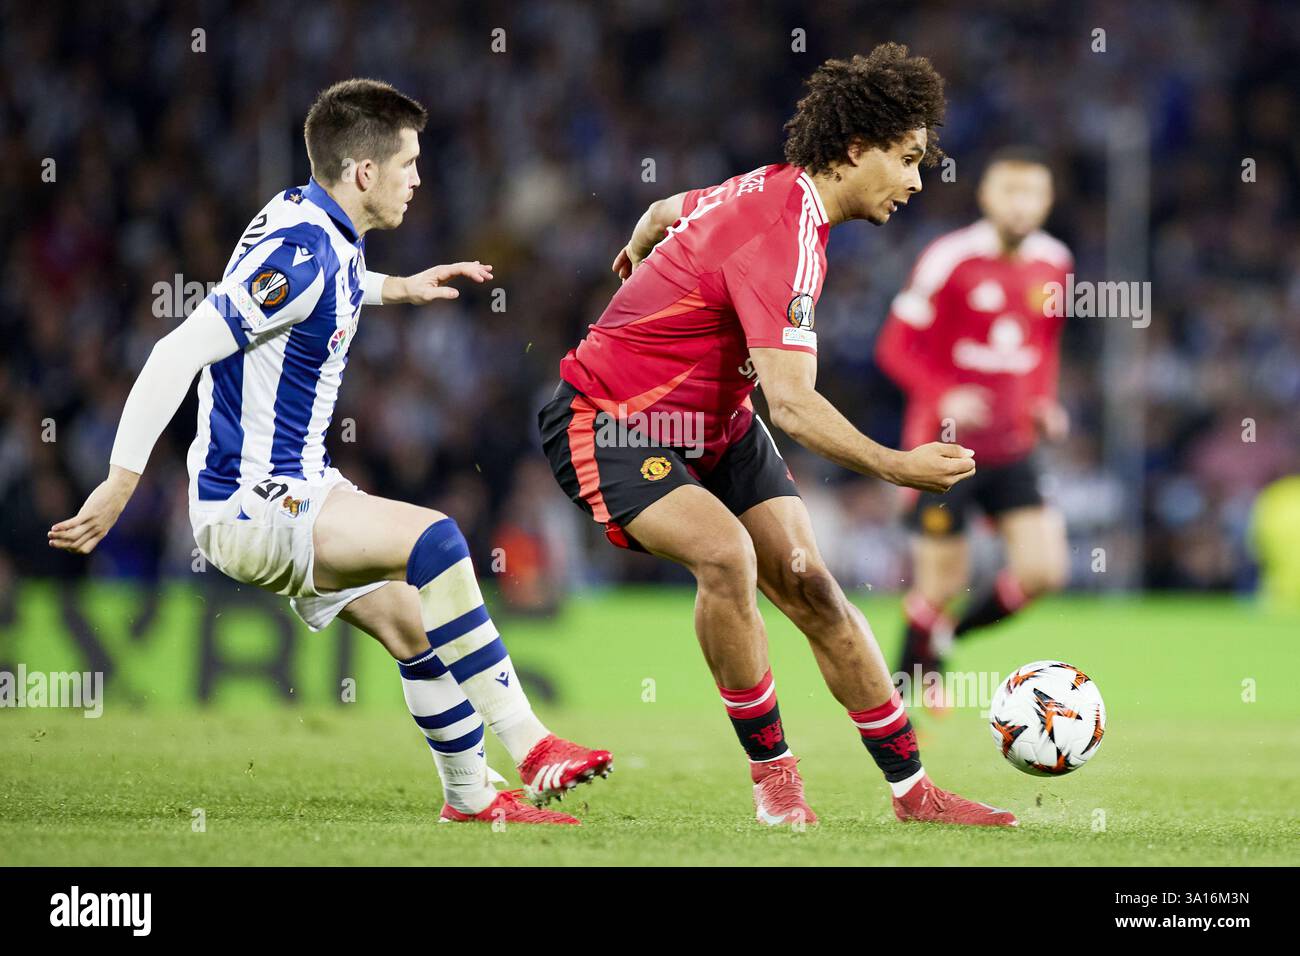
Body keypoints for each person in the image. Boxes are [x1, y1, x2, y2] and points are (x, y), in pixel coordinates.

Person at [48, 78, 610, 826]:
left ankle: (471, 801)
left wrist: (397, 288)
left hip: (295, 486)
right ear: (365, 172)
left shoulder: (311, 220)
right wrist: (119, 484)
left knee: (416, 623)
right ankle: (533, 745)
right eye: (408, 163)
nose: (418, 178)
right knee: (435, 539)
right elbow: (175, 351)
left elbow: (326, 282)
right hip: (251, 502)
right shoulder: (302, 254)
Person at [538, 45, 1016, 827]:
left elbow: (663, 212)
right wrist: (899, 466)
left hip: (718, 423)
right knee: (727, 554)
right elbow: (792, 406)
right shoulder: (783, 233)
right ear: (856, 151)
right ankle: (776, 780)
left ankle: (914, 792)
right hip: (611, 420)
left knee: (812, 586)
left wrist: (637, 254)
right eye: (907, 160)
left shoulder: (770, 186)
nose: (918, 182)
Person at [875, 148, 1072, 698]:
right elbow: (893, 347)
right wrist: (944, 396)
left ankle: (945, 639)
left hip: (1013, 448)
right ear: (987, 197)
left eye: (1032, 193)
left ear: (1047, 201)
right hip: (945, 449)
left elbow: (1043, 346)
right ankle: (901, 702)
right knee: (941, 582)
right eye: (1010, 192)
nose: (1020, 205)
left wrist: (1043, 401)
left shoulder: (1055, 261)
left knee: (1044, 571)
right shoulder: (949, 258)